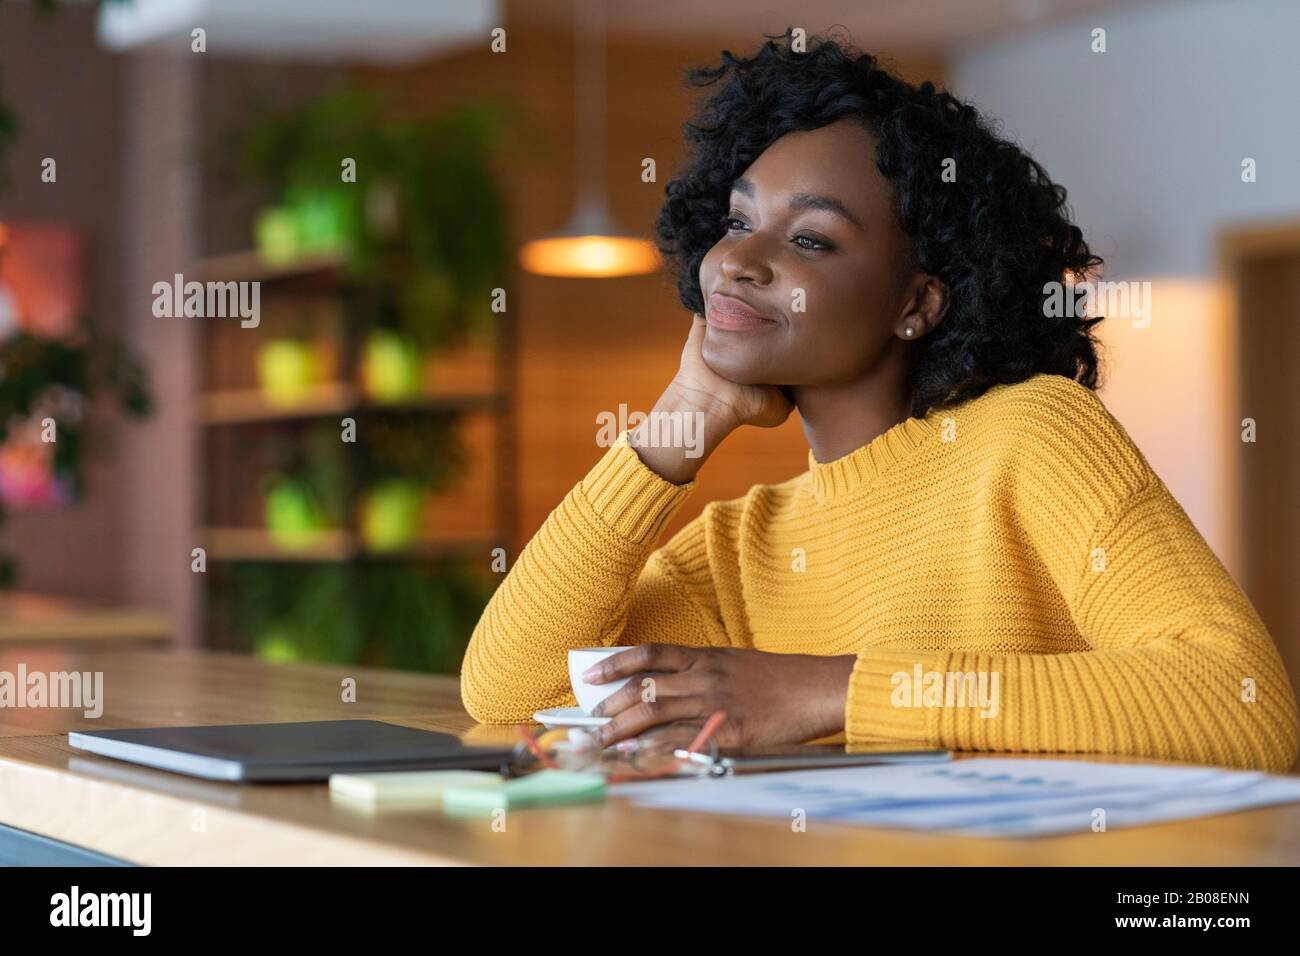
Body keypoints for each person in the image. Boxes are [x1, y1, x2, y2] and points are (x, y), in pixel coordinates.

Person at [461, 30, 1299, 772]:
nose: (738, 261)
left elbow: (1244, 702)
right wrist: (683, 416)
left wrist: (828, 690)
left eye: (810, 239)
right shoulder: (743, 545)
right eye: (736, 221)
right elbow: (505, 686)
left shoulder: (1032, 437)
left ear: (917, 304)